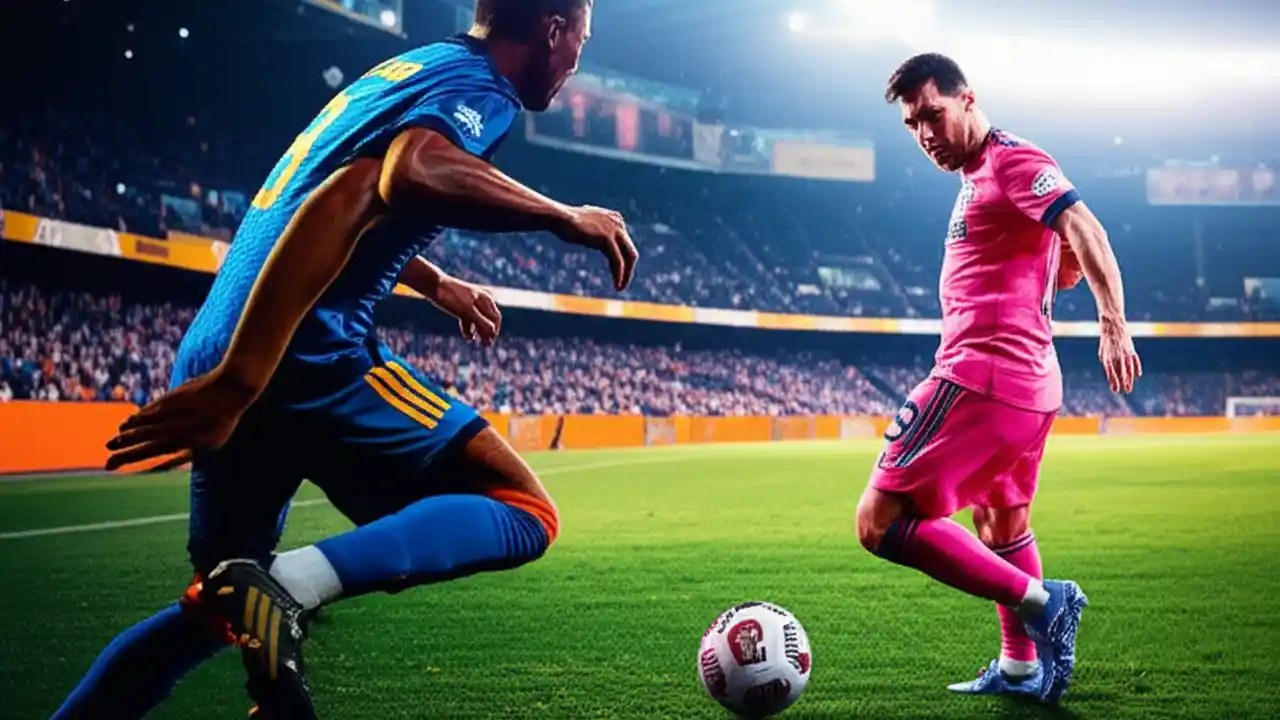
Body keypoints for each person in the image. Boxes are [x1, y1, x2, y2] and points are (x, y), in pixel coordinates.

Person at [53, 2, 637, 718]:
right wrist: (564, 216)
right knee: (521, 509)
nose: (577, 60)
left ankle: (261, 624)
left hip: (223, 343)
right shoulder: (483, 86)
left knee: (219, 605)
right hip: (299, 350)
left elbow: (334, 190)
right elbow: (404, 172)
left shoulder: (409, 70)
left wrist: (433, 281)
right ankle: (291, 588)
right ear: (552, 29)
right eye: (581, 40)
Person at [856, 52, 1142, 704]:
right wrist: (1055, 267)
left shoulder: (1011, 160)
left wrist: (1113, 323)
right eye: (912, 125)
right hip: (1029, 383)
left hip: (981, 375)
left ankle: (1047, 603)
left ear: (968, 99)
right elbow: (1063, 256)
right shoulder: (980, 174)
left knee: (878, 522)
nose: (924, 134)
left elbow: (1084, 226)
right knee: (1001, 525)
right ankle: (1019, 668)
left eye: (932, 115)